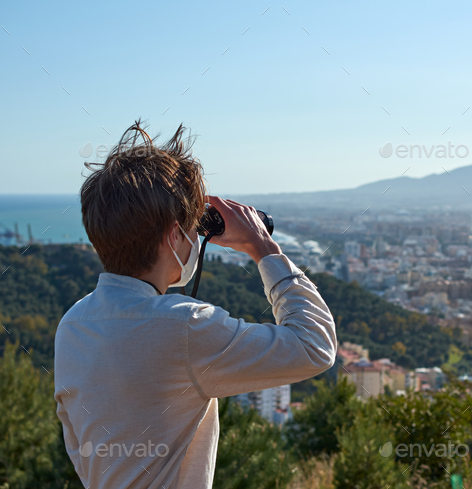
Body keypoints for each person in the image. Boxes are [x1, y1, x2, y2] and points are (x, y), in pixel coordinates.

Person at [54, 120, 337, 489]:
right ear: (174, 235)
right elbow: (314, 347)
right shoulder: (184, 327)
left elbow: (78, 444)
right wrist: (262, 247)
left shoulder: (73, 324)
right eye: (191, 226)